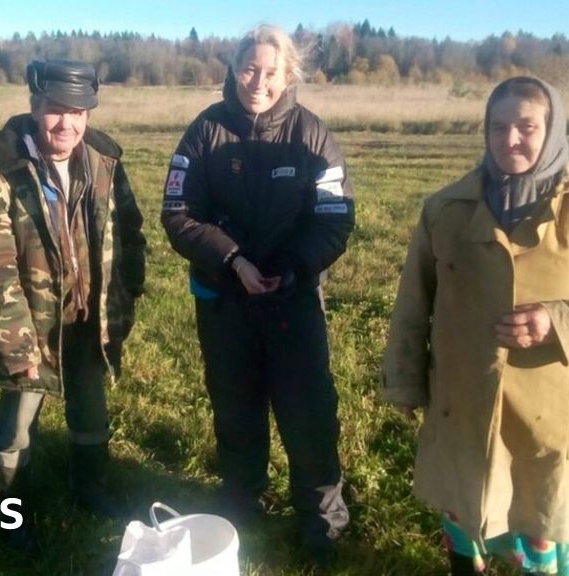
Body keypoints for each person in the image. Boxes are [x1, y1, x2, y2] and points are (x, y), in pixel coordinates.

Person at [381, 76, 569, 575]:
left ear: (551, 130)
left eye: (527, 127)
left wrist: (562, 321)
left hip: (556, 411)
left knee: (547, 516)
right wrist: (403, 379)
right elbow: (412, 302)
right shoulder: (445, 209)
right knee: (470, 508)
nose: (510, 140)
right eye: (498, 127)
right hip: (465, 399)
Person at [160, 24, 354, 566]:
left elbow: (335, 219)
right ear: (233, 69)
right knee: (236, 407)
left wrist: (292, 269)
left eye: (271, 72)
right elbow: (177, 213)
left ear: (289, 75)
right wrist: (233, 260)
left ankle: (323, 524)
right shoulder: (203, 132)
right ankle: (240, 508)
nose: (258, 81)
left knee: (308, 412)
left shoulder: (313, 135)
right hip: (225, 300)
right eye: (249, 68)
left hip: (292, 299)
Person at [0, 59, 146, 553]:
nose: (67, 124)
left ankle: (90, 489)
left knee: (91, 413)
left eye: (79, 111)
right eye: (54, 111)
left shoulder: (104, 160)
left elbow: (129, 231)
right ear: (34, 106)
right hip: (29, 323)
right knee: (16, 427)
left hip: (88, 320)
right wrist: (18, 351)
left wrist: (126, 299)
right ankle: (5, 509)